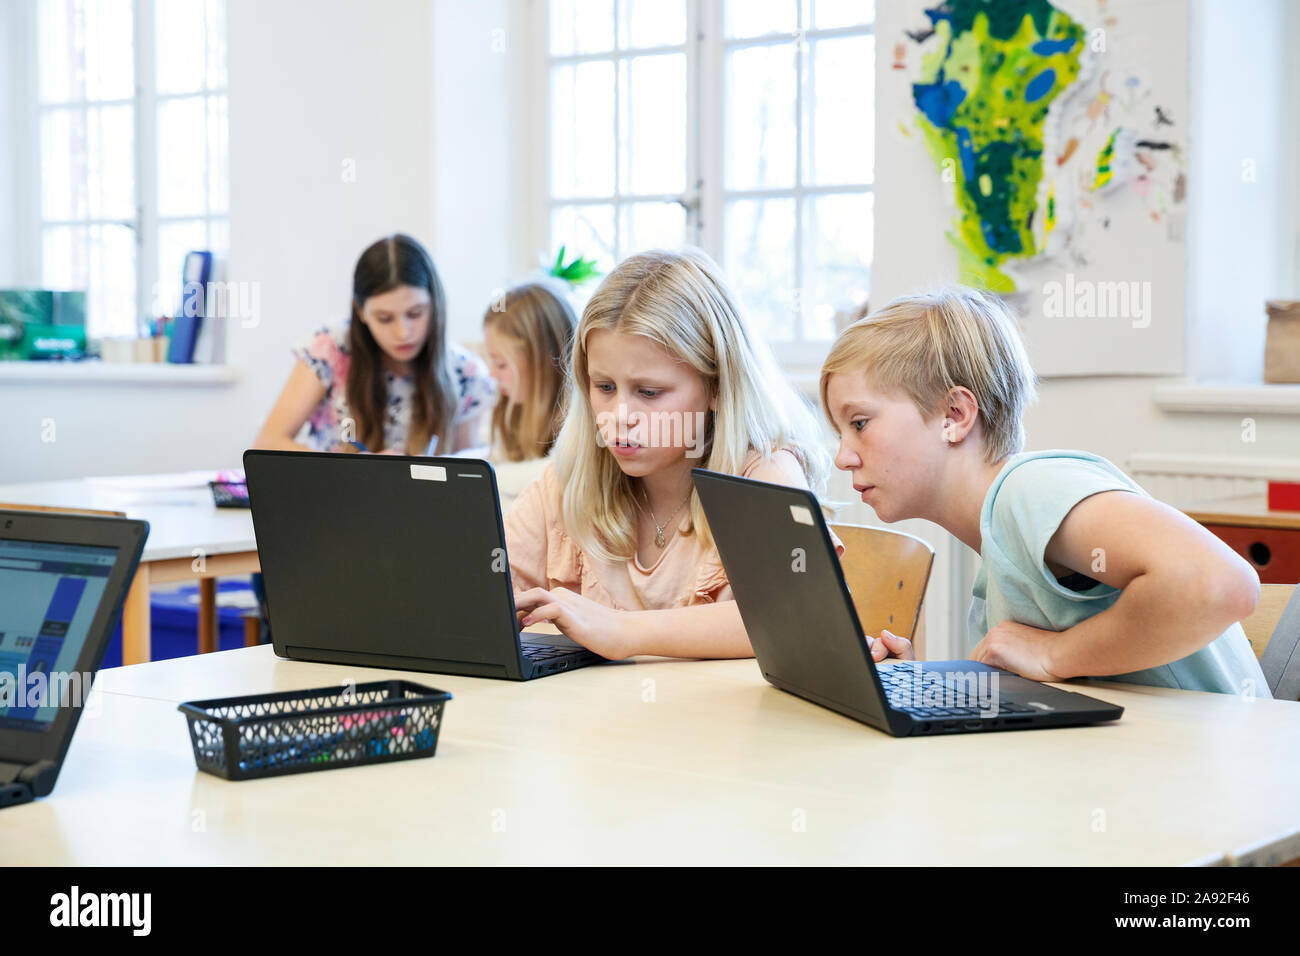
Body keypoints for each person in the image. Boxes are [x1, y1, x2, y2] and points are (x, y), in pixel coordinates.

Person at [819, 285, 1267, 696]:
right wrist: (922, 686)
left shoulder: (1030, 490)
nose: (843, 457)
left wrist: (1056, 653)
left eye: (859, 424)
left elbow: (1221, 584)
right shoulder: (996, 563)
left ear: (954, 415)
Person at [504, 247, 837, 660]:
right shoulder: (568, 481)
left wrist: (624, 632)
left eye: (649, 392)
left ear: (717, 387)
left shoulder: (765, 473)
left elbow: (795, 617)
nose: (619, 418)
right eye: (604, 387)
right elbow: (486, 586)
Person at [254, 233, 495, 455]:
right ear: (360, 312)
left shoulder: (466, 373)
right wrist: (355, 471)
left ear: (435, 305)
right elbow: (268, 445)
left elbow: (463, 476)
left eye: (415, 313)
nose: (403, 333)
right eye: (384, 318)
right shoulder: (329, 349)